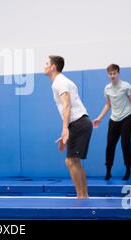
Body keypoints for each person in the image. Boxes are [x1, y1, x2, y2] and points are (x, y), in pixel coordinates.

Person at [44, 56, 93, 199]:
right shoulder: (61, 81)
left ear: (53, 67)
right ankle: (83, 196)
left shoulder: (59, 82)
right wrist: (66, 130)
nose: (45, 66)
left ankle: (81, 197)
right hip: (79, 123)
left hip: (78, 123)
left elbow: (67, 104)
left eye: (47, 63)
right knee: (74, 161)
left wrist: (65, 129)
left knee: (70, 161)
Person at [93, 64, 131, 181]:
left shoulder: (126, 86)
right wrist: (99, 118)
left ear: (118, 73)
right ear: (108, 75)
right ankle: (108, 171)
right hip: (114, 119)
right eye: (110, 74)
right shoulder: (107, 88)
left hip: (126, 118)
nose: (112, 75)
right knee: (110, 146)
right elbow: (108, 104)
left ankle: (128, 169)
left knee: (125, 144)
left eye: (114, 73)